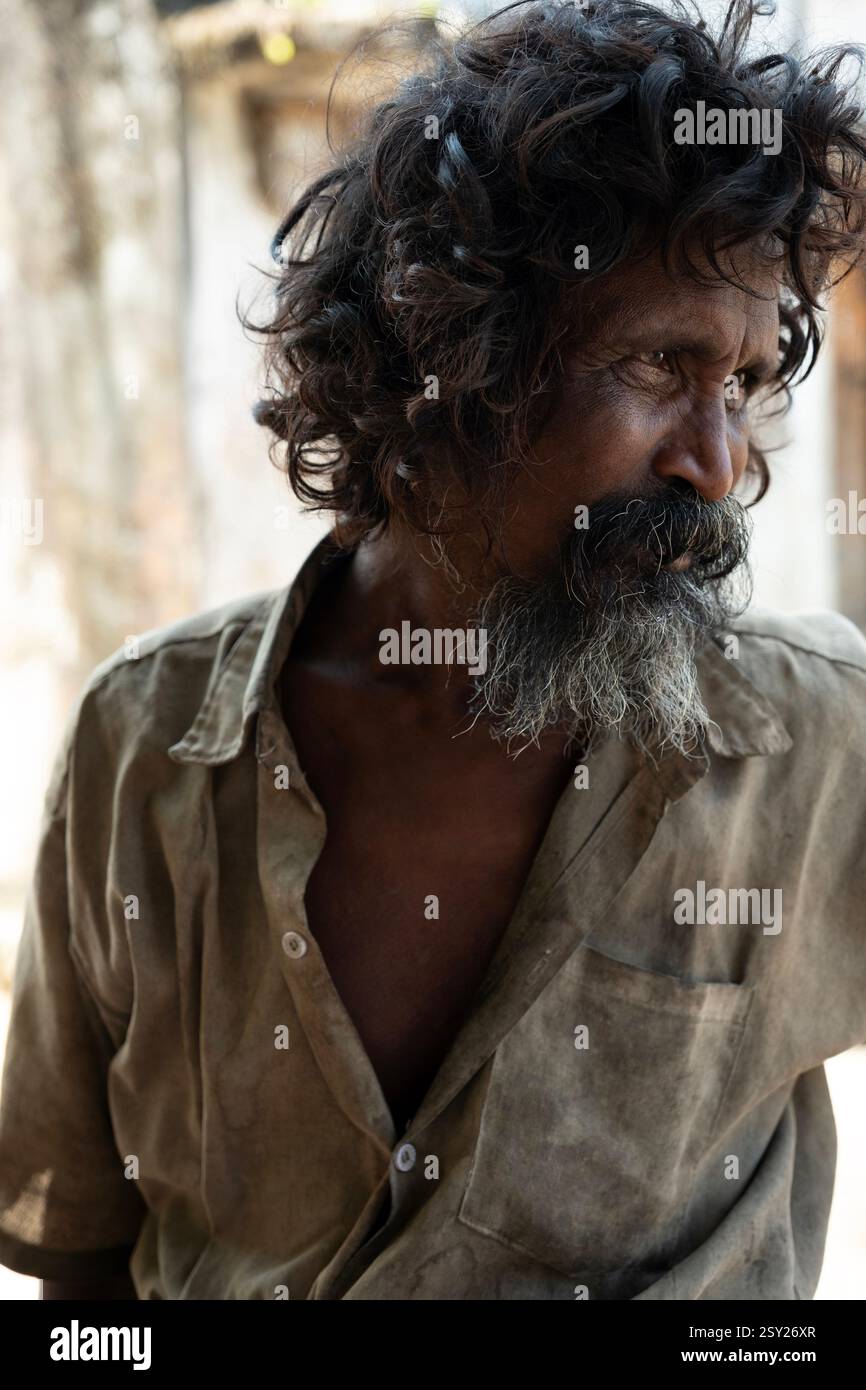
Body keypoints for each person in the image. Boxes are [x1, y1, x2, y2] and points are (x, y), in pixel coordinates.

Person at [1, 0, 865, 1301]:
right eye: (657, 363)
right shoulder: (148, 749)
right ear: (443, 365)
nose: (716, 458)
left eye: (742, 382)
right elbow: (75, 1267)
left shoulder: (815, 746)